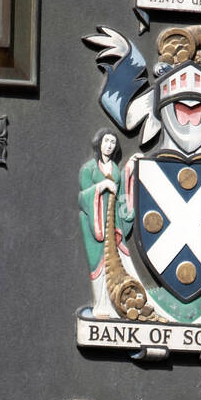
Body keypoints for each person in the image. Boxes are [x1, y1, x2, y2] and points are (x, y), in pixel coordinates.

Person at [78, 129, 137, 318]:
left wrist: (126, 214)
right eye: (106, 141)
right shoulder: (89, 169)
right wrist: (101, 186)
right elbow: (82, 197)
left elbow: (121, 197)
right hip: (95, 224)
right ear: (99, 143)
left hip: (112, 224)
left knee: (115, 261)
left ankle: (116, 303)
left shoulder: (116, 171)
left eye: (113, 142)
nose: (109, 145)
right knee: (99, 262)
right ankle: (100, 304)